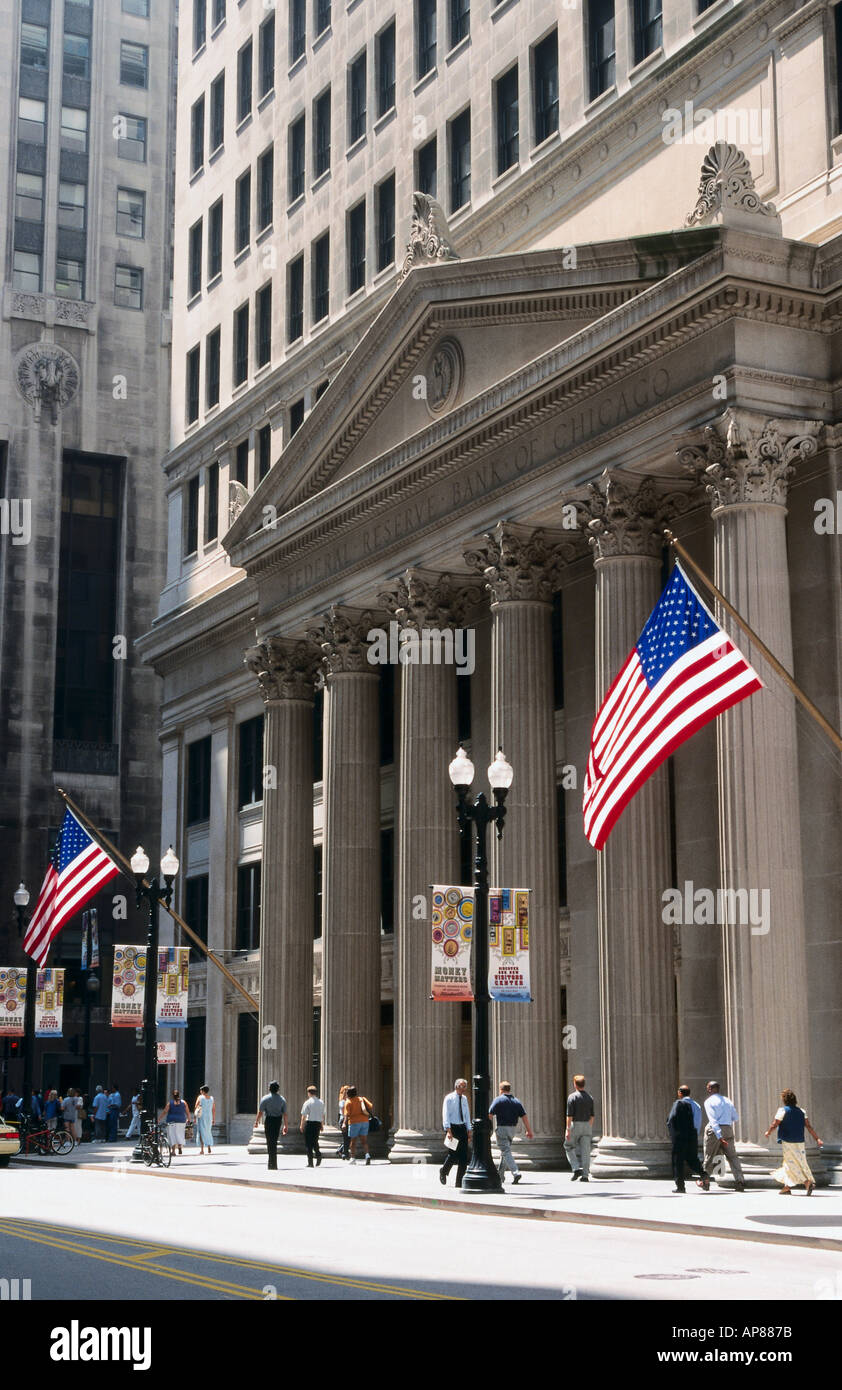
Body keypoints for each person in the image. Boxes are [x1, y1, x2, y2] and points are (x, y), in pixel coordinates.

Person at [764, 1089, 823, 1196]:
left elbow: (775, 1124)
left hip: (788, 1140)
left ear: (784, 1100)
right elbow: (808, 1126)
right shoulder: (802, 1111)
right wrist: (817, 1138)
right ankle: (786, 1187)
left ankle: (807, 1182)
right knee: (798, 1162)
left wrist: (768, 1132)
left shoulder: (782, 1110)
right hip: (800, 1141)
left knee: (791, 1163)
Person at [699, 1081, 745, 1191]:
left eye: (707, 1087)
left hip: (715, 1131)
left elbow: (713, 1120)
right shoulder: (728, 1101)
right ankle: (740, 1181)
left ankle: (705, 1182)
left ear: (710, 1088)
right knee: (732, 1157)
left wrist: (719, 1136)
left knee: (709, 1156)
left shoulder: (709, 1101)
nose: (707, 1089)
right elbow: (735, 1117)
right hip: (728, 1128)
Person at [489, 1081, 534, 1184]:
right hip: (512, 1130)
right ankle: (500, 1176)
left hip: (501, 1129)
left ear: (501, 1090)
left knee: (505, 1151)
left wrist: (488, 1127)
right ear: (509, 1089)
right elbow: (524, 1117)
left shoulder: (498, 1100)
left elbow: (490, 1115)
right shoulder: (516, 1101)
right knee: (505, 1151)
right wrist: (529, 1130)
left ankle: (516, 1172)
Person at [667, 1085, 707, 1193]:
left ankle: (680, 1187)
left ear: (680, 1093)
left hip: (680, 1137)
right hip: (693, 1135)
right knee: (692, 1158)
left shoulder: (678, 1103)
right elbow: (698, 1122)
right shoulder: (697, 1105)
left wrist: (673, 1135)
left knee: (678, 1161)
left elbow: (671, 1120)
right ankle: (703, 1174)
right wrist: (694, 1134)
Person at [440, 1078, 472, 1187]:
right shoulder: (449, 1098)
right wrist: (448, 1130)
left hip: (462, 1128)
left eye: (465, 1087)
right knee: (453, 1154)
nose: (464, 1089)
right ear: (457, 1086)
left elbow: (467, 1115)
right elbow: (445, 1114)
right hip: (453, 1129)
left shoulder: (464, 1099)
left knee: (463, 1156)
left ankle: (459, 1181)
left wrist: (469, 1129)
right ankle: (443, 1171)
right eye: (463, 1086)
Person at [564, 1074, 595, 1181]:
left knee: (568, 1146)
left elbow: (569, 1115)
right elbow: (592, 1115)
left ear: (575, 1084)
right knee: (586, 1151)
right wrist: (588, 1126)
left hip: (575, 1124)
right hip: (587, 1125)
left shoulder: (572, 1097)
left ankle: (576, 1168)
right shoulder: (590, 1097)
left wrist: (568, 1129)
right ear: (584, 1084)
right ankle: (585, 1175)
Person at [256, 1081, 288, 1170]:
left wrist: (256, 1122)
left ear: (270, 1088)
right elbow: (285, 1114)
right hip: (278, 1121)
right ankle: (274, 1163)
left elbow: (260, 1112)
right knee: (274, 1141)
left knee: (269, 1141)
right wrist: (286, 1125)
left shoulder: (265, 1098)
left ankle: (271, 1163)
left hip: (269, 1120)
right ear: (278, 1089)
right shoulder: (282, 1099)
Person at [343, 1085, 374, 1165]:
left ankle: (353, 1158)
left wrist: (344, 1124)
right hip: (365, 1121)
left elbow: (346, 1115)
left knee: (353, 1142)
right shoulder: (362, 1099)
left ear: (348, 1094)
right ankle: (367, 1155)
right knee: (364, 1141)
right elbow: (370, 1106)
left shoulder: (348, 1102)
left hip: (354, 1122)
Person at [300, 1085, 325, 1167]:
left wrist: (301, 1125)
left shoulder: (307, 1102)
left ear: (309, 1093)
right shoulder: (321, 1102)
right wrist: (322, 1125)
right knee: (315, 1141)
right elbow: (322, 1115)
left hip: (309, 1123)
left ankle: (310, 1162)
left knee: (308, 1143)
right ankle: (318, 1155)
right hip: (317, 1124)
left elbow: (304, 1115)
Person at [161, 1090, 190, 1156]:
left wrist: (159, 1119)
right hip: (181, 1120)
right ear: (179, 1095)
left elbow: (165, 1112)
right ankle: (180, 1146)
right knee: (180, 1134)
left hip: (171, 1121)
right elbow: (187, 1111)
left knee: (172, 1135)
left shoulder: (170, 1103)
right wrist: (189, 1119)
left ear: (172, 1096)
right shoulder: (184, 1102)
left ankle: (173, 1151)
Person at [193, 1085, 215, 1155]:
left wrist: (194, 1117)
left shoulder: (200, 1097)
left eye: (201, 1091)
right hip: (209, 1117)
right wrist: (213, 1118)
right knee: (208, 1131)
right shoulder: (211, 1098)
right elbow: (213, 1109)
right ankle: (208, 1147)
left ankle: (202, 1149)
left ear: (202, 1091)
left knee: (201, 1132)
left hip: (202, 1116)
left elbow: (196, 1107)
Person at [337, 1084, 350, 1160]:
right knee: (346, 1138)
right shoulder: (342, 1102)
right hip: (343, 1120)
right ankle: (345, 1153)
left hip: (347, 1119)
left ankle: (341, 1150)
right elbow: (343, 1112)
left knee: (349, 1138)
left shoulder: (347, 1101)